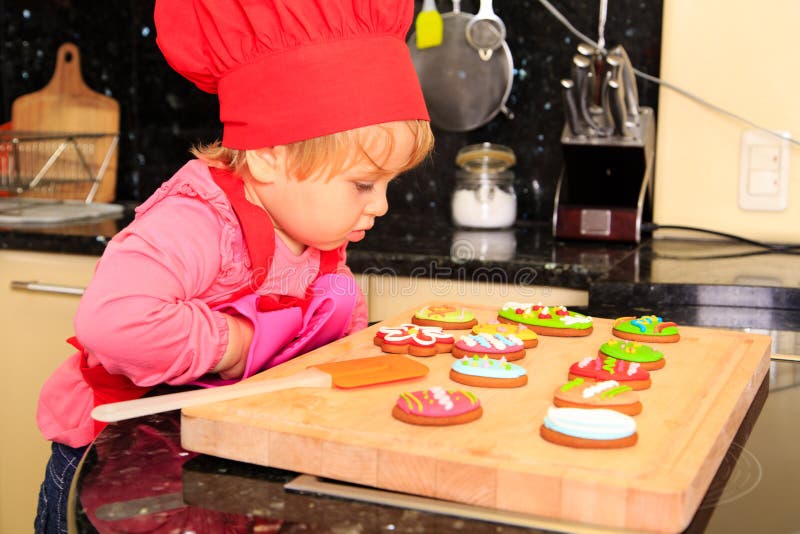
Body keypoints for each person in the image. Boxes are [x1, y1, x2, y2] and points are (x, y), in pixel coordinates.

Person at [34, 1, 432, 532]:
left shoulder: (316, 226)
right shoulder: (198, 221)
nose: (380, 205)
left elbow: (335, 322)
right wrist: (240, 343)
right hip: (118, 472)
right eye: (363, 183)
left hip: (216, 463)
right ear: (270, 156)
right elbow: (112, 323)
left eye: (389, 184)